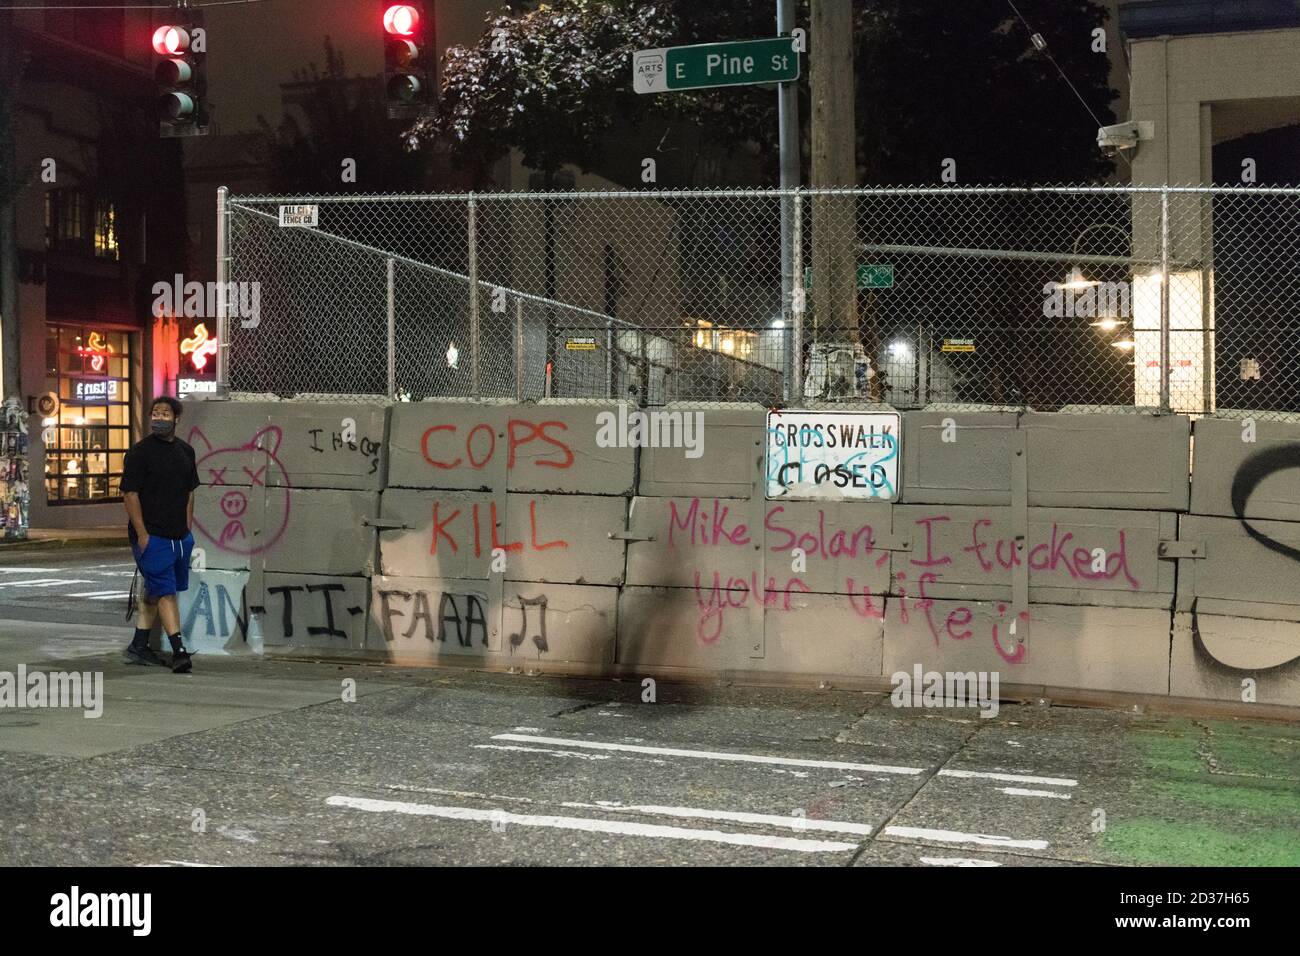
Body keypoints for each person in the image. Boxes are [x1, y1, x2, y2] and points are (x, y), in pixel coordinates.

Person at [121, 396, 200, 673]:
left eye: (166, 413)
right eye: (155, 413)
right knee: (166, 591)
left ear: (176, 419)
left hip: (180, 537)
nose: (159, 418)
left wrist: (187, 529)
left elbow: (190, 491)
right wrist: (142, 535)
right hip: (152, 537)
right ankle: (179, 651)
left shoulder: (186, 452)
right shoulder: (139, 453)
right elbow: (130, 494)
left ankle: (139, 646)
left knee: (158, 588)